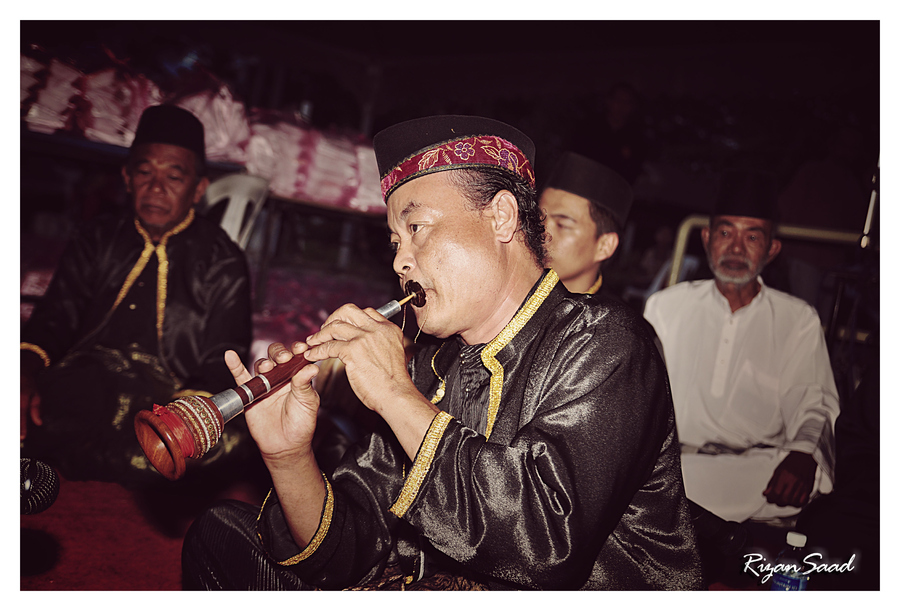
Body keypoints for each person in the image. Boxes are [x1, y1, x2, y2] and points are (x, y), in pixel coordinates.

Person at [181, 115, 702, 590]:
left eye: (417, 227)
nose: (401, 261)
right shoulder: (433, 363)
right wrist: (288, 456)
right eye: (393, 241)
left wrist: (393, 393)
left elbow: (542, 542)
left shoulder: (608, 341)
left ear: (501, 217)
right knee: (223, 533)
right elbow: (351, 552)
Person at [20, 105, 254, 484]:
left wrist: (184, 417)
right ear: (127, 178)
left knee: (234, 442)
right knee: (25, 406)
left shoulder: (221, 258)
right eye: (145, 172)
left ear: (198, 189)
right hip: (85, 385)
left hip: (168, 398)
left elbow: (223, 354)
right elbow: (55, 317)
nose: (156, 188)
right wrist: (23, 371)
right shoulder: (96, 238)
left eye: (174, 176)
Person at [643, 169, 841, 525]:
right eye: (724, 233)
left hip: (755, 472)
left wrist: (802, 453)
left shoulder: (798, 319)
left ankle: (678, 512)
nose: (735, 248)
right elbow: (639, 398)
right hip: (676, 464)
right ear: (706, 239)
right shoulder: (666, 306)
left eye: (752, 236)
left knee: (805, 474)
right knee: (643, 476)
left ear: (772, 249)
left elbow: (814, 402)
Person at [539, 151, 632, 294]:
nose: (541, 234)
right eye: (538, 219)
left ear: (604, 246)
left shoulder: (614, 316)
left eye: (563, 225)